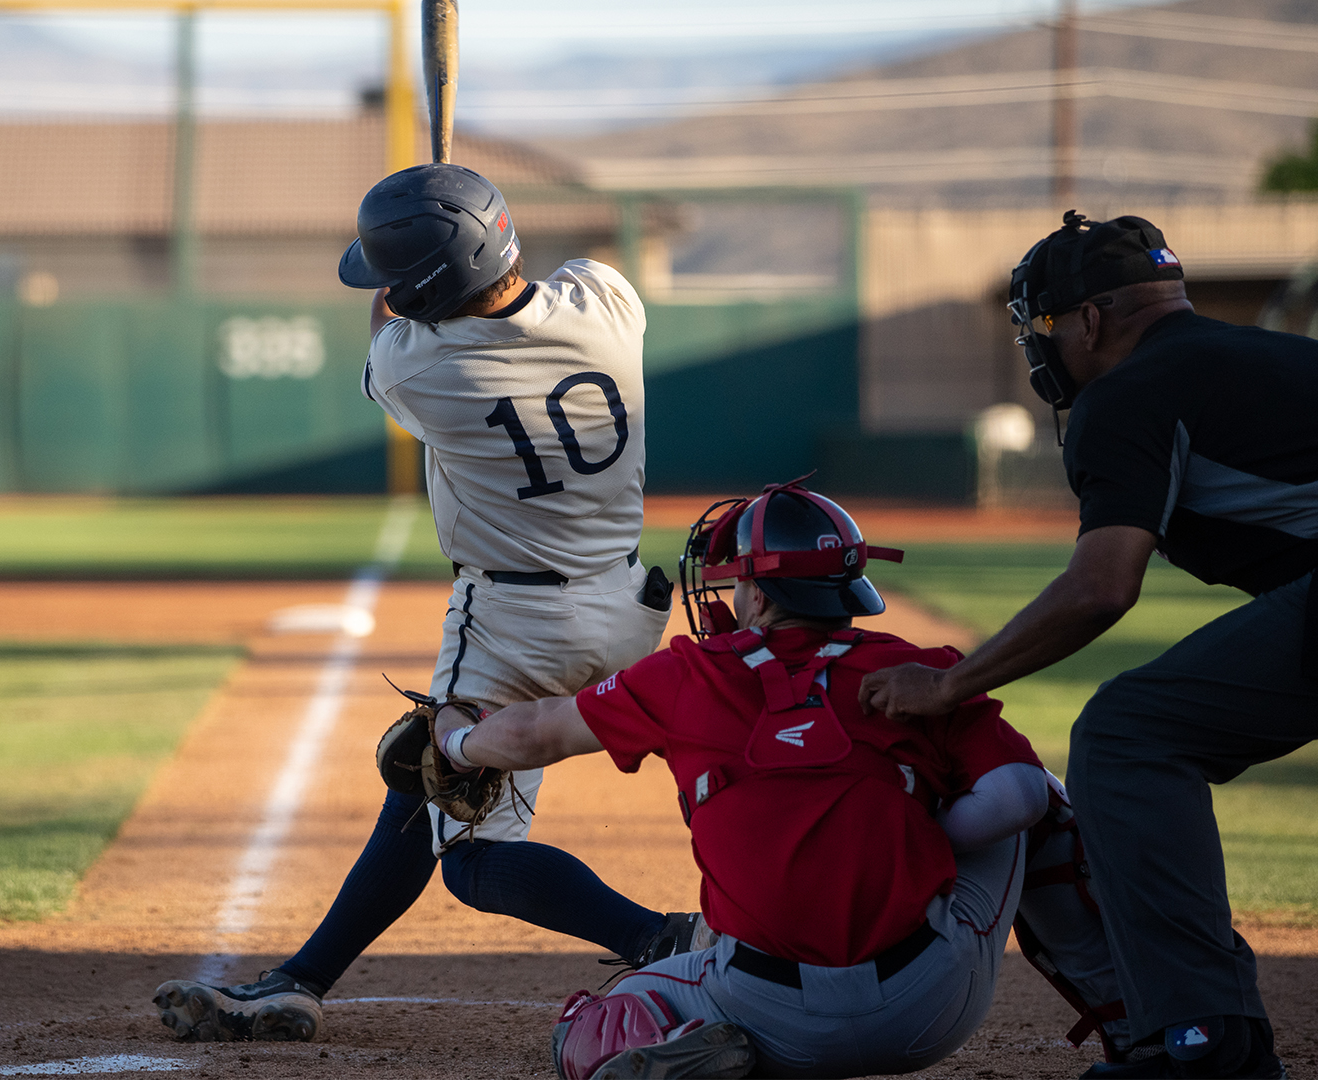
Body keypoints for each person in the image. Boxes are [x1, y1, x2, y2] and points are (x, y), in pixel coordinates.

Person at [152, 163, 679, 1042]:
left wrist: (414, 280)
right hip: (629, 610)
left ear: (429, 285)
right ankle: (300, 980)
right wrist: (455, 216)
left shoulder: (425, 369)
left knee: (468, 855)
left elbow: (385, 325)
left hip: (514, 629)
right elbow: (532, 282)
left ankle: (660, 938)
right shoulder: (608, 301)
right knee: (420, 799)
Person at [430, 481, 1130, 1079]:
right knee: (1042, 795)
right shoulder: (922, 672)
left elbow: (537, 730)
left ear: (759, 596)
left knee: (597, 1025)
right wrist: (923, 833)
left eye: (740, 583)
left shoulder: (687, 674)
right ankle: (1135, 1025)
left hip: (769, 1015)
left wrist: (456, 739)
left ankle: (690, 1045)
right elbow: (1017, 797)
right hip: (929, 1009)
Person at [860, 212, 1302, 1079]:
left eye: (1045, 327)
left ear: (1091, 321)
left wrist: (952, 687)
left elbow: (1102, 586)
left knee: (1129, 735)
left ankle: (1202, 1041)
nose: (1044, 348)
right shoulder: (1268, 357)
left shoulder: (1128, 392)